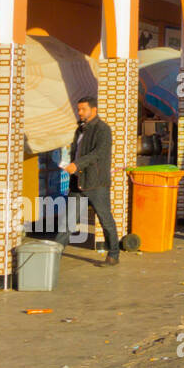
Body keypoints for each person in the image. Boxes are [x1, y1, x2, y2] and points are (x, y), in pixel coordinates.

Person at [59, 96, 120, 266]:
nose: (80, 113)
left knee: (105, 219)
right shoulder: (80, 129)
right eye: (78, 109)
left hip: (96, 182)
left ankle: (113, 253)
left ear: (93, 110)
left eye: (83, 109)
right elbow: (77, 151)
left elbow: (98, 153)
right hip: (78, 182)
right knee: (68, 221)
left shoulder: (103, 129)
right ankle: (54, 252)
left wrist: (77, 164)